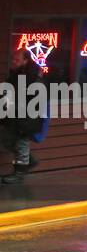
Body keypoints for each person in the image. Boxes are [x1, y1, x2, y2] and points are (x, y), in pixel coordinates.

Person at [1, 48, 45, 185]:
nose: (14, 62)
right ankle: (29, 161)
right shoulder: (16, 73)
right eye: (13, 59)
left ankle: (19, 172)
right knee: (7, 139)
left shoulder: (34, 76)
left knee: (22, 142)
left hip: (28, 115)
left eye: (17, 59)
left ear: (25, 60)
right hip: (16, 114)